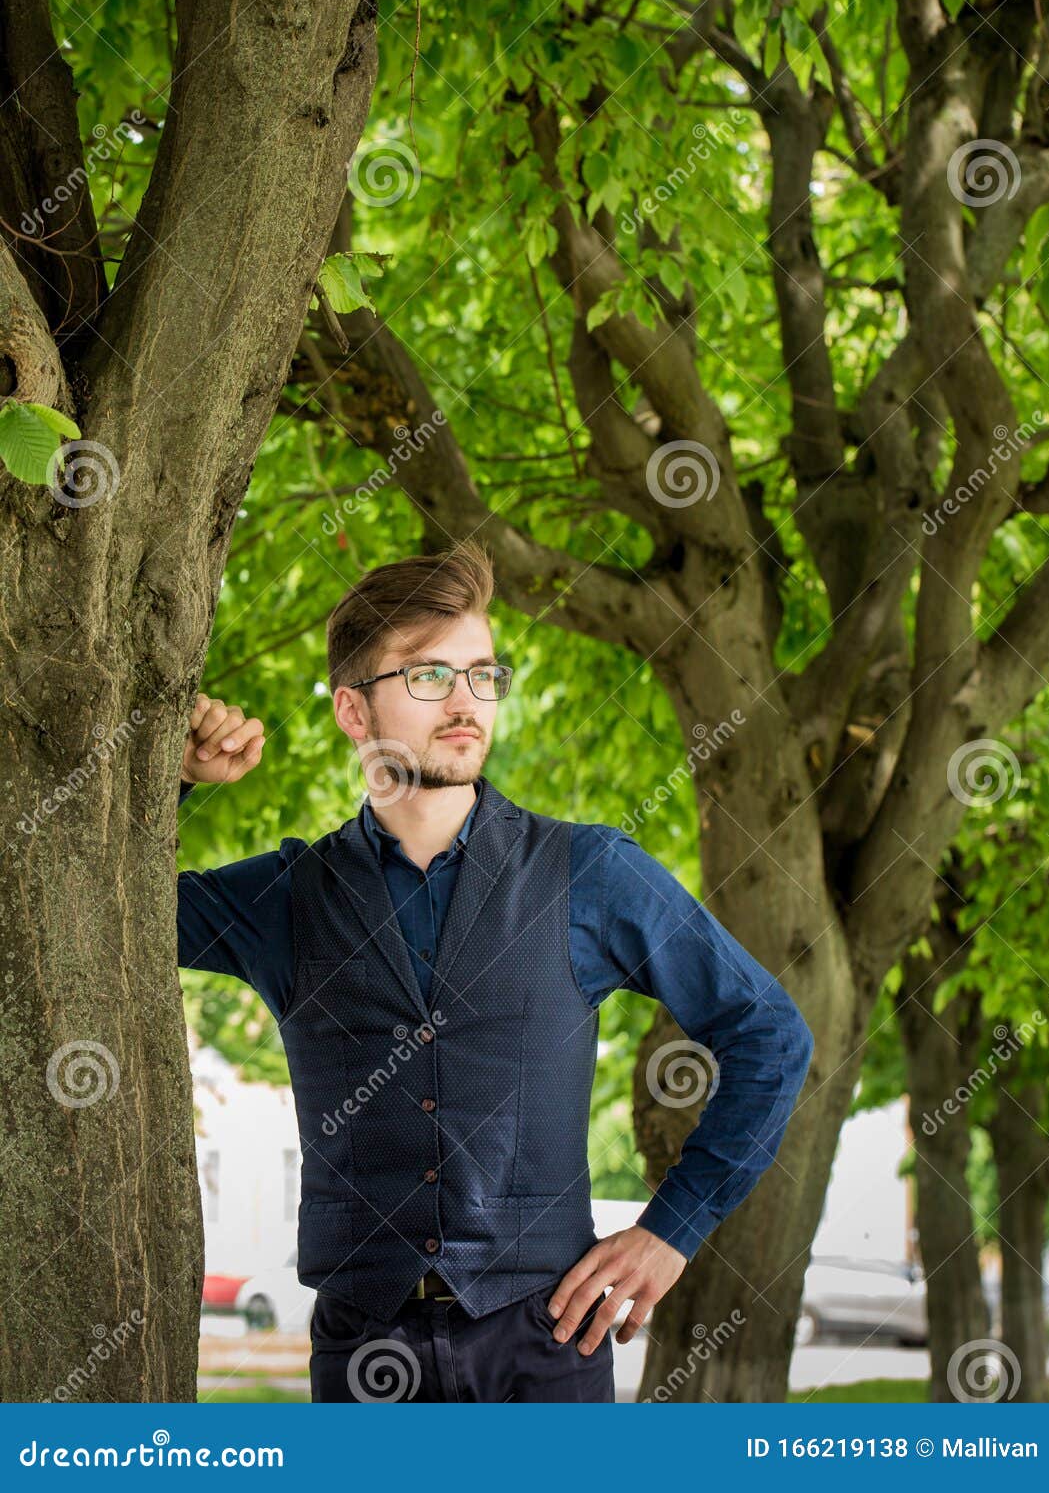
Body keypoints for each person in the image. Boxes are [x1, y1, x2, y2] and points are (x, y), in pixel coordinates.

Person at [177, 539, 814, 1402]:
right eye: (428, 675)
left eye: (481, 674)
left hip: (544, 1343)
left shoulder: (589, 872)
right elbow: (107, 912)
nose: (466, 700)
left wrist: (673, 1228)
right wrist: (172, 786)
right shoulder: (288, 899)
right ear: (352, 713)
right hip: (363, 1355)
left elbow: (768, 1033)